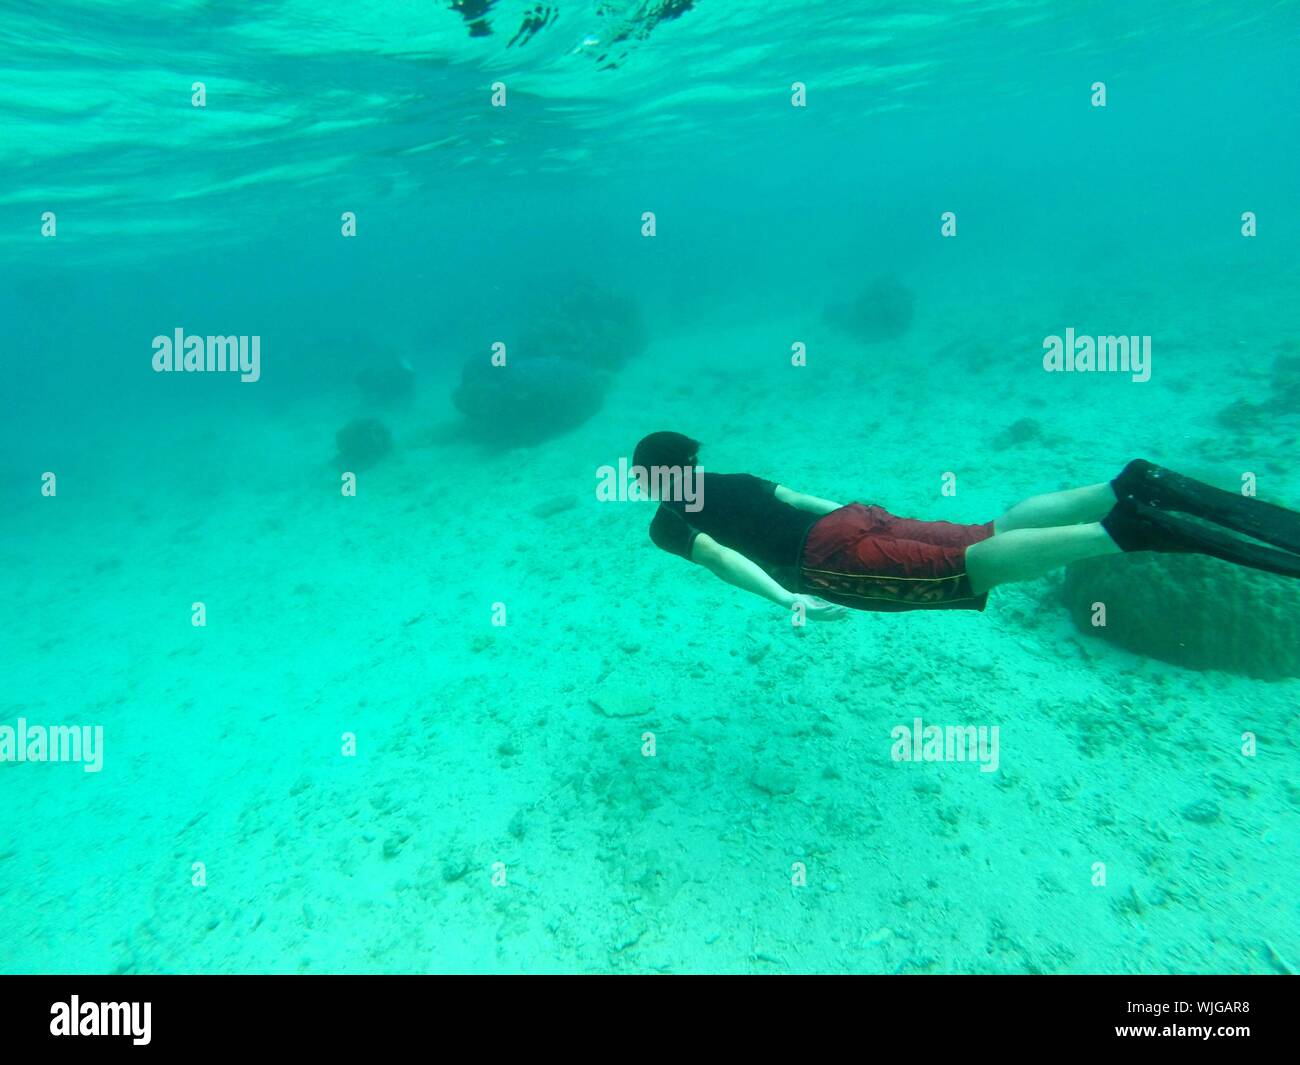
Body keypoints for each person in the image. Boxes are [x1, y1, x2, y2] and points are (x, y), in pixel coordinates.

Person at [633, 431, 1300, 621]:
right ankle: (1120, 487)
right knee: (989, 530)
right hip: (851, 517)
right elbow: (803, 496)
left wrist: (788, 599)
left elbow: (720, 557)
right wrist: (868, 517)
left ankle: (1125, 529)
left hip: (825, 559)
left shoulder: (667, 523)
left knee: (971, 570)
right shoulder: (728, 480)